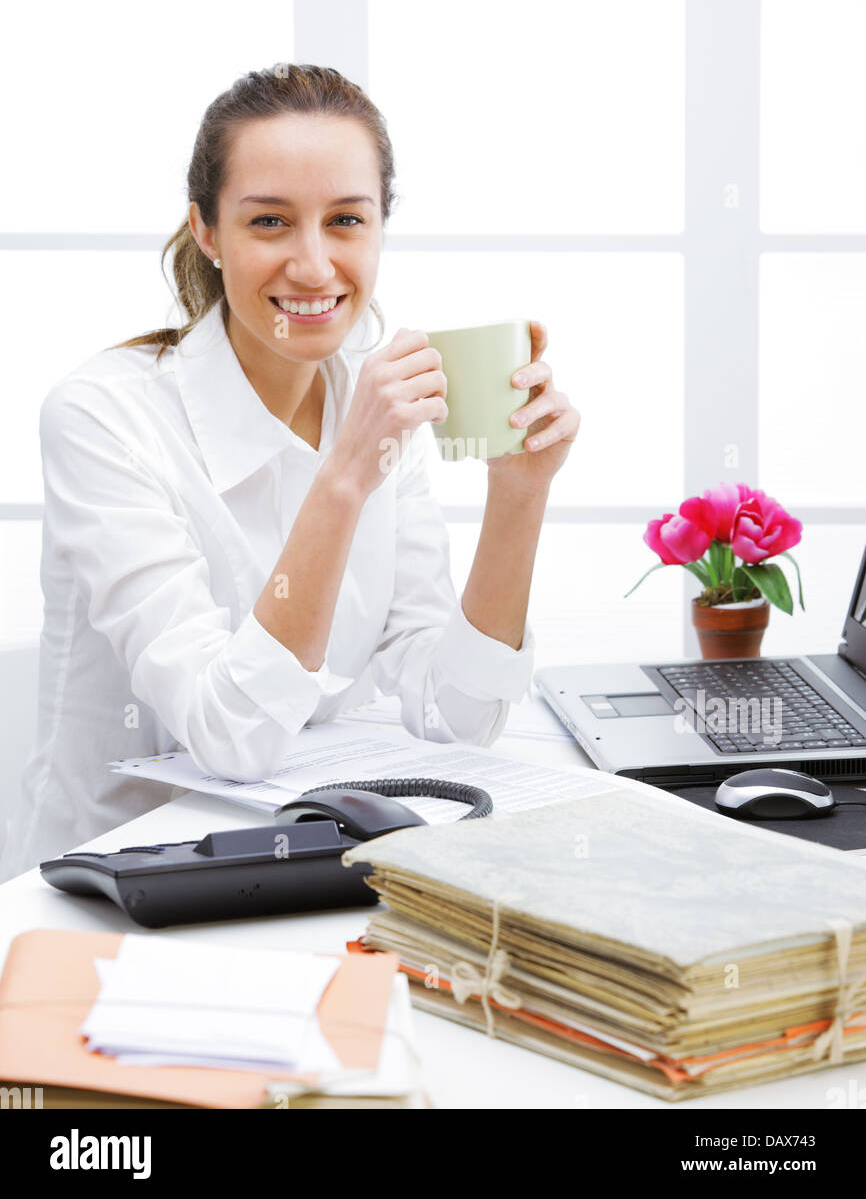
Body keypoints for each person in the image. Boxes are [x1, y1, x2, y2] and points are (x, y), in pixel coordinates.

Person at [0, 64, 580, 880]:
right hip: (117, 882)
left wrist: (519, 493)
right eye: (270, 221)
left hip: (314, 866)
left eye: (346, 220)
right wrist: (344, 478)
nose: (312, 267)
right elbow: (229, 732)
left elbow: (458, 713)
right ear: (207, 231)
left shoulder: (371, 405)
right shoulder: (102, 417)